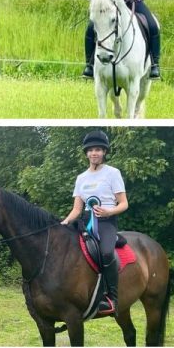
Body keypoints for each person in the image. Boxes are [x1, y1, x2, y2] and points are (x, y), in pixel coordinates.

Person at [61, 131, 128, 316]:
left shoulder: (113, 173)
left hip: (107, 221)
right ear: (86, 153)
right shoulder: (81, 178)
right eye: (90, 150)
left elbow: (124, 203)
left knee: (106, 253)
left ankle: (113, 298)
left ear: (104, 152)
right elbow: (77, 209)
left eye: (98, 149)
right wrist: (64, 222)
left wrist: (109, 211)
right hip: (85, 221)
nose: (94, 153)